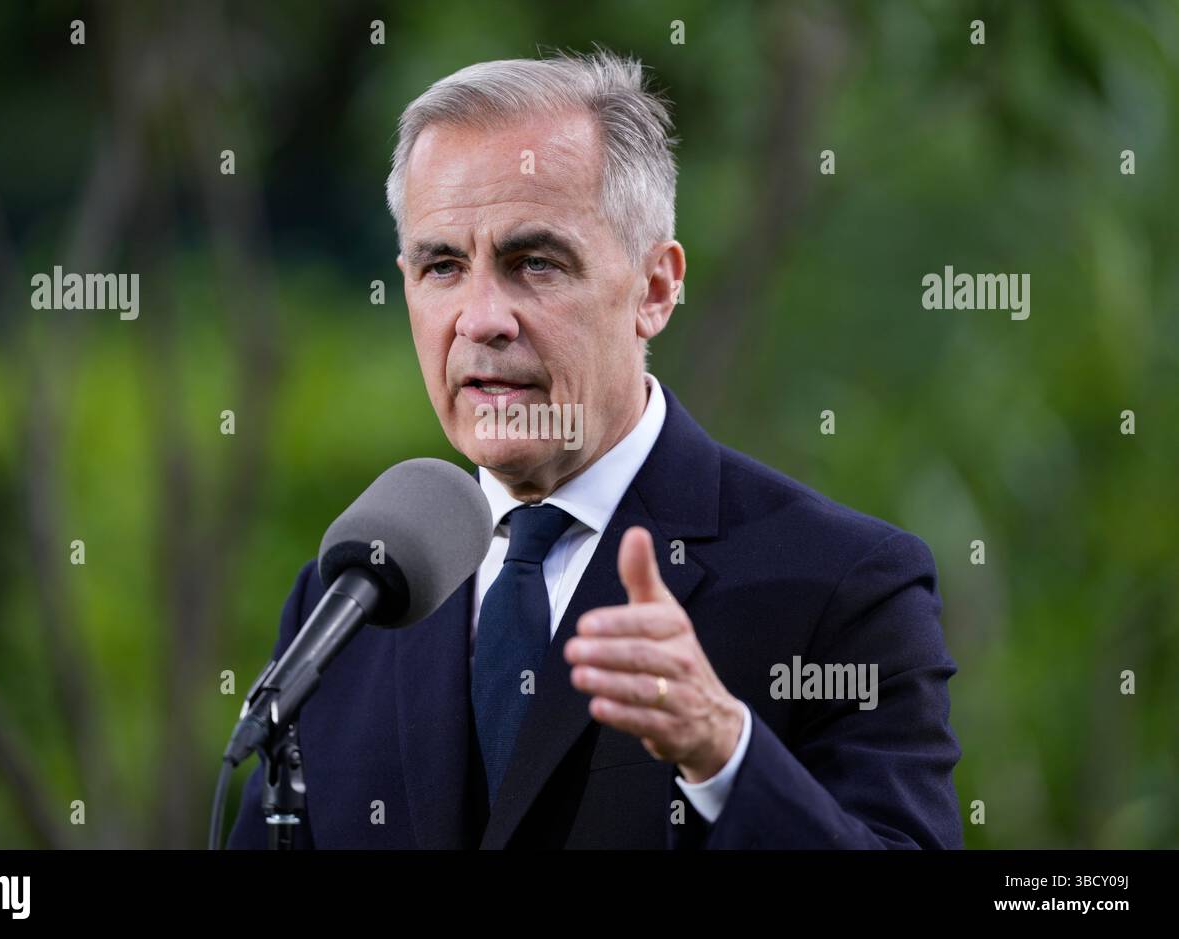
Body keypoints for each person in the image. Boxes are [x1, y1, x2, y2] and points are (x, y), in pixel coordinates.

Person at [228, 49, 963, 849]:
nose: (482, 319)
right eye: (442, 265)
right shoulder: (351, 600)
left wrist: (725, 753)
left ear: (654, 288)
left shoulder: (842, 585)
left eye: (533, 263)